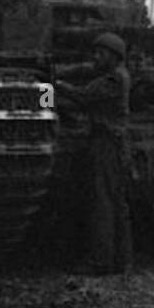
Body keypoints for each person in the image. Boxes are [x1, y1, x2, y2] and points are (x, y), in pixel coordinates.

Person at [56, 32, 132, 274]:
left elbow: (83, 96)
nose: (96, 57)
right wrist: (63, 71)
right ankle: (121, 260)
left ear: (113, 56)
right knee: (116, 203)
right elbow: (85, 70)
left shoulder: (113, 80)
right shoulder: (117, 73)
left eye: (101, 53)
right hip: (114, 143)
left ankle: (100, 261)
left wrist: (56, 84)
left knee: (102, 202)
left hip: (107, 144)